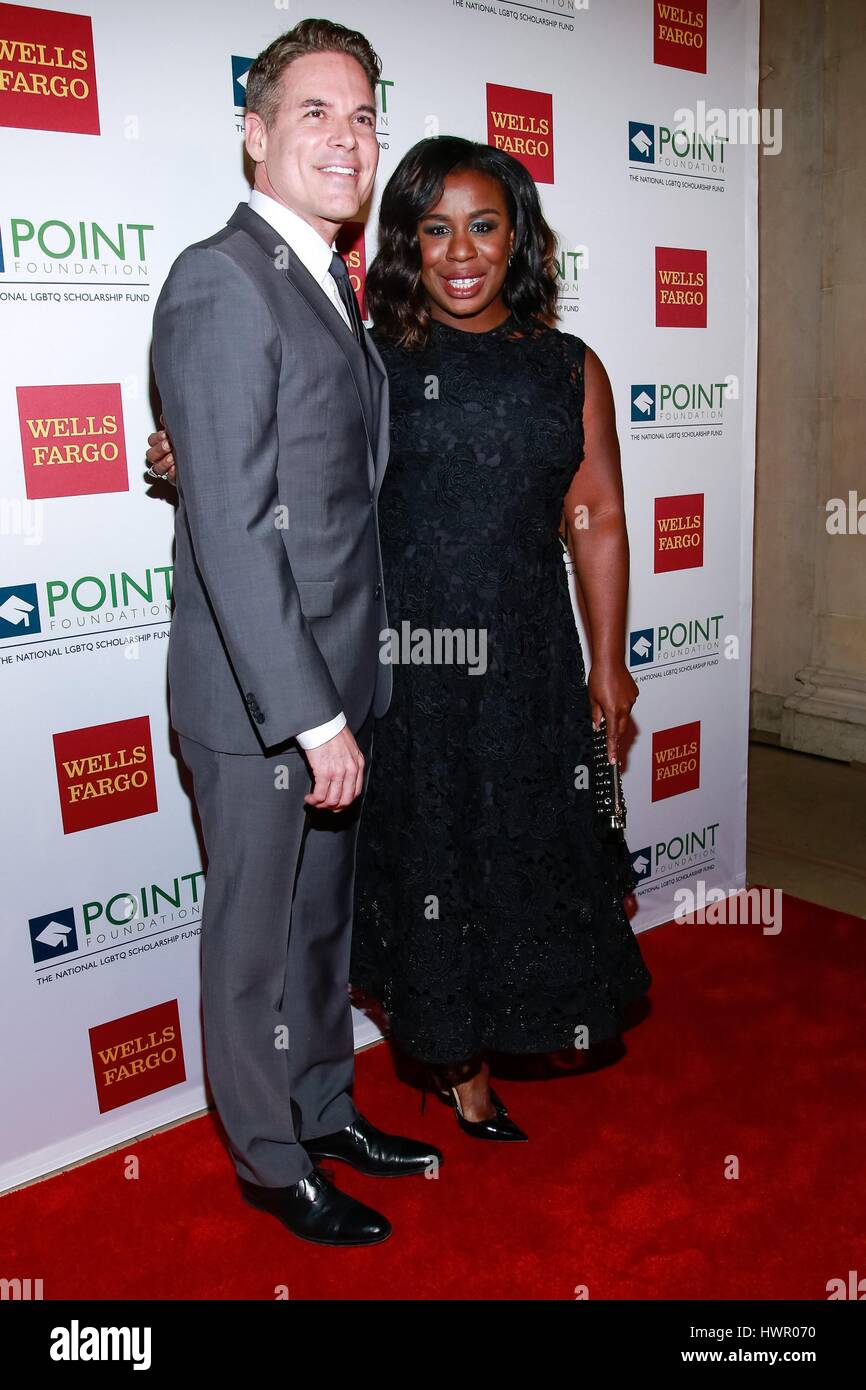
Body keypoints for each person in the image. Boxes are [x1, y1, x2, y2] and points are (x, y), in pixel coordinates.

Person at [148, 134, 653, 1144]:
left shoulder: (567, 367)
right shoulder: (372, 354)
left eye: (483, 225)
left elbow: (593, 513)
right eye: (434, 228)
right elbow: (275, 451)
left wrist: (608, 663)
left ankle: (505, 1028)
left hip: (525, 660)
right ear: (405, 243)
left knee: (517, 852)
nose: (459, 251)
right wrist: (186, 455)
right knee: (432, 861)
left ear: (517, 239)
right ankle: (453, 1064)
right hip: (406, 665)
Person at [150, 19, 441, 1250]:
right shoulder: (221, 277)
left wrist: (347, 695)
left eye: (362, 115)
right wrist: (309, 713)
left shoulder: (330, 281)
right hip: (262, 702)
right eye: (313, 111)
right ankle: (270, 1162)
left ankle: (322, 1108)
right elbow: (234, 524)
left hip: (337, 685)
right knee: (255, 946)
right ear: (255, 133)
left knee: (320, 930)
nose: (345, 135)